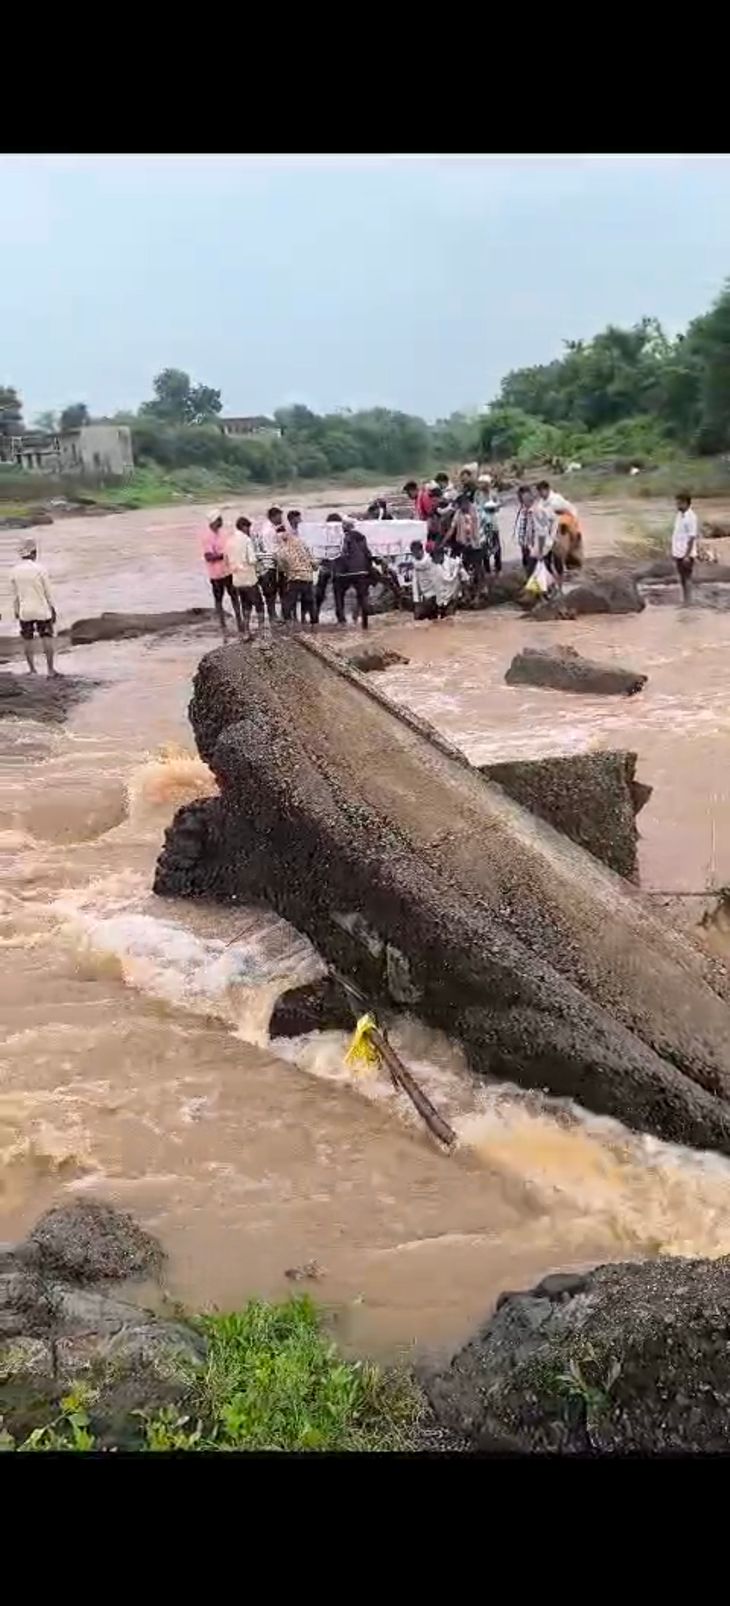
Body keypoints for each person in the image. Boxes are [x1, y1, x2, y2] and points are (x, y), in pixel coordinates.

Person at [10, 537, 58, 675]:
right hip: (41, 609)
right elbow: (48, 592)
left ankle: (32, 670)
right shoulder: (40, 569)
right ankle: (50, 669)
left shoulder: (14, 571)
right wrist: (52, 608)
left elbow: (15, 595)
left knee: (27, 639)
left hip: (25, 610)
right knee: (46, 637)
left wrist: (16, 610)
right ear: (33, 553)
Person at [200, 509, 241, 634]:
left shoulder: (223, 533)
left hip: (228, 571)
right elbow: (208, 557)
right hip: (216, 574)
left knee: (234, 596)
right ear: (213, 522)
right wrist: (224, 555)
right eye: (219, 519)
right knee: (219, 599)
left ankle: (239, 620)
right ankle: (222, 624)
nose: (221, 521)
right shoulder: (207, 537)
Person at [227, 515, 263, 638]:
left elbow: (226, 560)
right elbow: (252, 559)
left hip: (237, 580)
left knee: (245, 604)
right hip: (249, 578)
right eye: (248, 528)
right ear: (244, 527)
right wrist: (259, 561)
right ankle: (261, 629)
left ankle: (246, 631)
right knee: (258, 604)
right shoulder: (246, 540)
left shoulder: (229, 541)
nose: (249, 531)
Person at [334, 521, 373, 630]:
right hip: (362, 571)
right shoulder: (362, 537)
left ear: (344, 528)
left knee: (339, 592)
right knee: (362, 596)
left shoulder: (347, 537)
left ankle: (341, 619)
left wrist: (341, 565)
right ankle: (364, 623)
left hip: (349, 571)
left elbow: (344, 552)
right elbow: (367, 552)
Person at [535, 479, 583, 567]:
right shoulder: (540, 504)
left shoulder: (557, 500)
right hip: (552, 528)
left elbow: (570, 510)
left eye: (542, 491)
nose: (541, 494)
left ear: (547, 489)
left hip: (564, 526)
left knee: (566, 549)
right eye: (539, 492)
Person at [275, 522, 315, 625]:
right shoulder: (301, 542)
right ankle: (312, 622)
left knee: (289, 601)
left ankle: (288, 622)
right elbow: (311, 558)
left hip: (294, 577)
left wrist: (286, 572)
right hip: (307, 576)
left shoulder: (282, 548)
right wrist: (314, 568)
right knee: (309, 601)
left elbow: (281, 565)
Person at [672, 490, 699, 604]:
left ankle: (688, 601)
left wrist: (687, 556)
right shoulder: (680, 515)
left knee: (687, 577)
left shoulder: (691, 517)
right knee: (682, 578)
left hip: (686, 554)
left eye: (679, 503)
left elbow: (692, 537)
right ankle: (685, 600)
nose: (677, 505)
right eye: (677, 503)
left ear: (686, 503)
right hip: (678, 552)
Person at [410, 540, 447, 620]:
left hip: (434, 594)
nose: (415, 555)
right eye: (413, 553)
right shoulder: (415, 563)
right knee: (419, 619)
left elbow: (438, 579)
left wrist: (440, 599)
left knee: (429, 619)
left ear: (421, 550)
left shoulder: (431, 561)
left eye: (416, 552)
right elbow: (415, 581)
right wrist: (416, 598)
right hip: (424, 595)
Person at [476, 475, 502, 574]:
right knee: (484, 546)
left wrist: (494, 506)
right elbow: (476, 506)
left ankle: (498, 567)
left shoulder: (493, 493)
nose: (482, 485)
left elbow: (498, 505)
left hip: (493, 522)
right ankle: (487, 568)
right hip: (483, 523)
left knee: (496, 546)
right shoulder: (478, 494)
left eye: (484, 483)